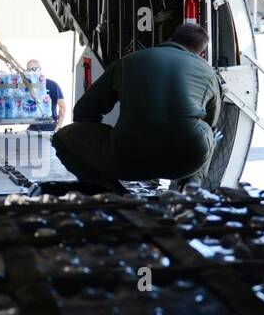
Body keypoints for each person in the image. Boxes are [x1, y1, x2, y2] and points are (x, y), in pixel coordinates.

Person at [51, 23, 221, 193]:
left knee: (61, 138)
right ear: (202, 53)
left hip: (126, 161)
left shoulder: (129, 61)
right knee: (207, 133)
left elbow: (84, 111)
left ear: (170, 39)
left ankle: (111, 191)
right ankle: (191, 188)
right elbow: (210, 122)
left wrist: (101, 137)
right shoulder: (208, 73)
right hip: (185, 164)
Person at [25, 59, 64, 132]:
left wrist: (58, 127)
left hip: (49, 126)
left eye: (33, 69)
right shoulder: (27, 88)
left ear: (40, 69)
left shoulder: (52, 85)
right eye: (28, 70)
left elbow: (62, 107)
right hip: (34, 125)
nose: (31, 72)